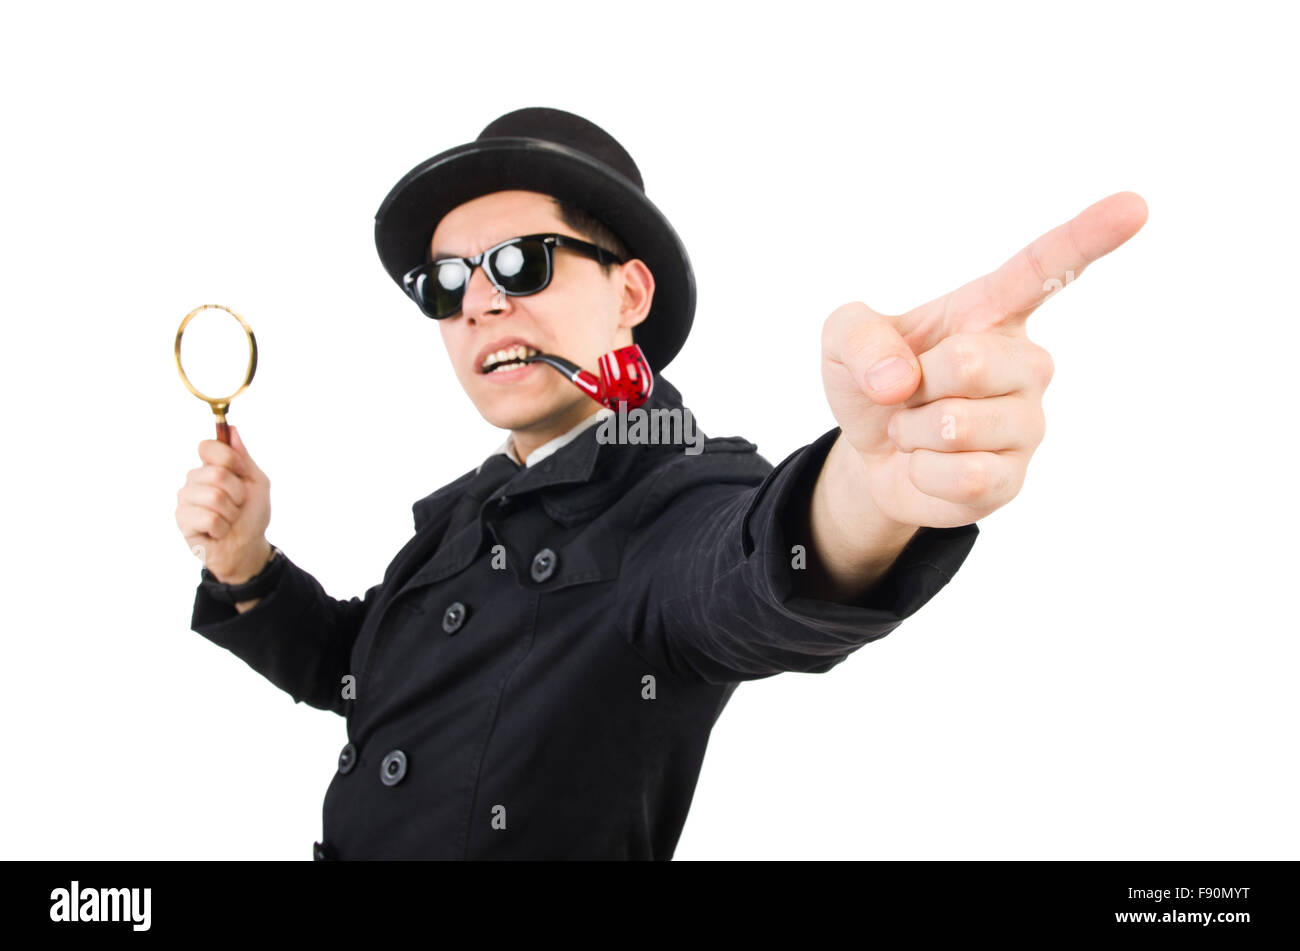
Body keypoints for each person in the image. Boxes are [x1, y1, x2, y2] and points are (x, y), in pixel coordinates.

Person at [174, 107, 1146, 859]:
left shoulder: (676, 492)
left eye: (520, 261)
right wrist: (245, 563)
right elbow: (360, 677)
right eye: (446, 281)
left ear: (628, 294)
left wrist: (868, 486)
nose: (479, 300)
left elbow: (748, 572)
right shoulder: (462, 515)